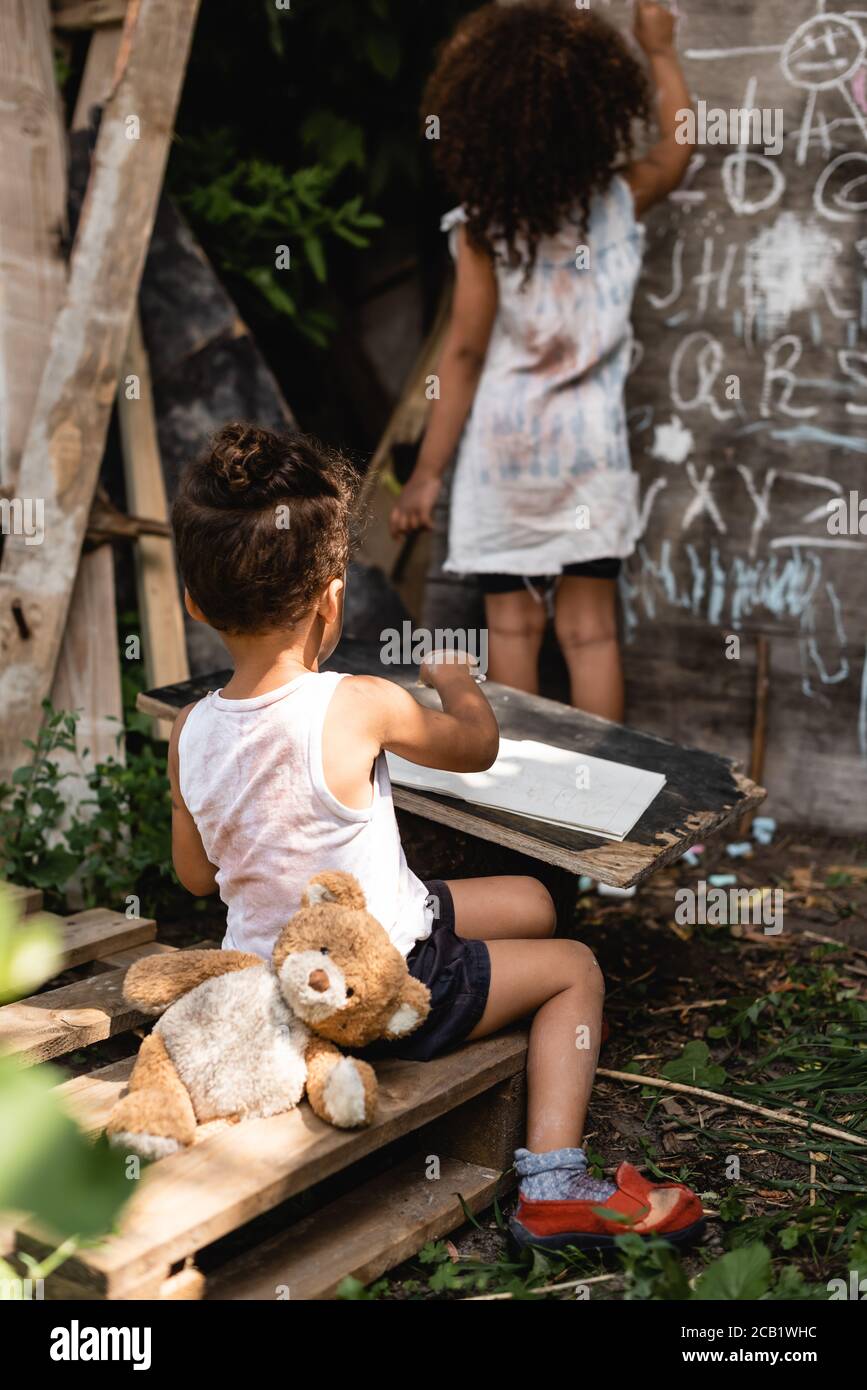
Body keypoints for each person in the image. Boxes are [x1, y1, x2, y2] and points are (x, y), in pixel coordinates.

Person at [165, 420, 703, 1252]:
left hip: (272, 969)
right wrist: (458, 682)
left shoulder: (191, 731)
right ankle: (554, 1185)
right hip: (386, 982)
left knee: (529, 900)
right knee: (574, 969)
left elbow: (196, 879)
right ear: (331, 596)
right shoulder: (360, 703)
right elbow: (476, 748)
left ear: (194, 602)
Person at [390, 1, 692, 721]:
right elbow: (679, 146)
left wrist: (427, 475)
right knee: (589, 636)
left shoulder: (483, 231)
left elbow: (461, 356)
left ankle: (524, 800)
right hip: (589, 453)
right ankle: (605, 806)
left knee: (513, 629)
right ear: (596, 113)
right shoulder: (619, 200)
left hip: (505, 456)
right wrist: (659, 51)